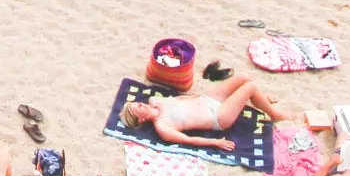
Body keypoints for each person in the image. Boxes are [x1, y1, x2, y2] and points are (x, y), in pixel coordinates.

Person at [120, 73, 290, 147]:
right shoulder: (163, 127)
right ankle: (274, 115)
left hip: (209, 99)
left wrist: (197, 96)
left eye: (138, 103)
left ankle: (263, 100)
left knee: (244, 78)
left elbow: (179, 98)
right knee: (250, 87)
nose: (141, 104)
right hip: (218, 116)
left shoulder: (154, 100)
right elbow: (188, 140)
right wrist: (216, 142)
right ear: (140, 120)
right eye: (138, 108)